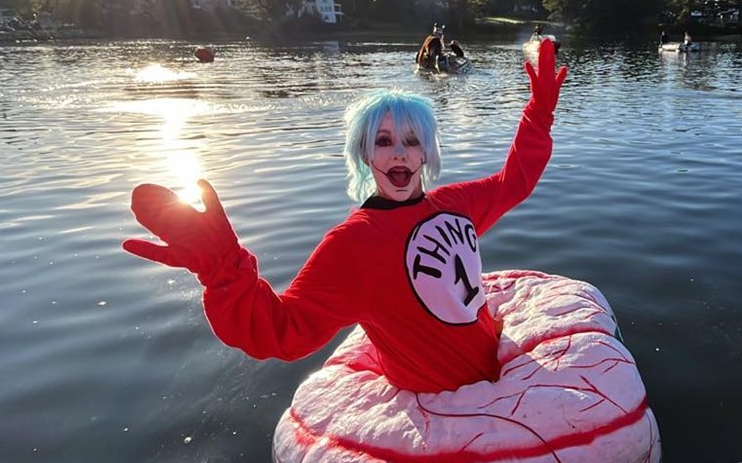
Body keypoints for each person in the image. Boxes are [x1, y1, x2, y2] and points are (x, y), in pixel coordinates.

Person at [122, 39, 569, 393]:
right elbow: (283, 331)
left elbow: (515, 182)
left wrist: (538, 115)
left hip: (493, 369)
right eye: (383, 141)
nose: (398, 152)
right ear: (363, 153)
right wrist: (223, 272)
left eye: (412, 141)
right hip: (436, 399)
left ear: (428, 153)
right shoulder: (352, 245)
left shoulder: (455, 204)